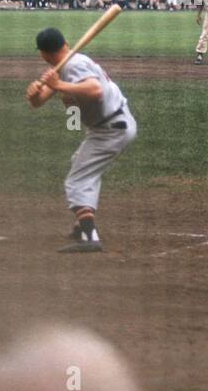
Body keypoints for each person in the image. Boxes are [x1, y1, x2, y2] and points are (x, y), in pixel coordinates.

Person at [26, 27, 136, 253]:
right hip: (110, 126)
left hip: (111, 128)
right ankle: (81, 225)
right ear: (65, 42)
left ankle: (89, 236)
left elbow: (95, 90)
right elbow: (39, 101)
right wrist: (35, 94)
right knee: (81, 163)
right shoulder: (63, 67)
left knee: (76, 180)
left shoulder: (75, 65)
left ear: (43, 53)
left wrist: (59, 86)